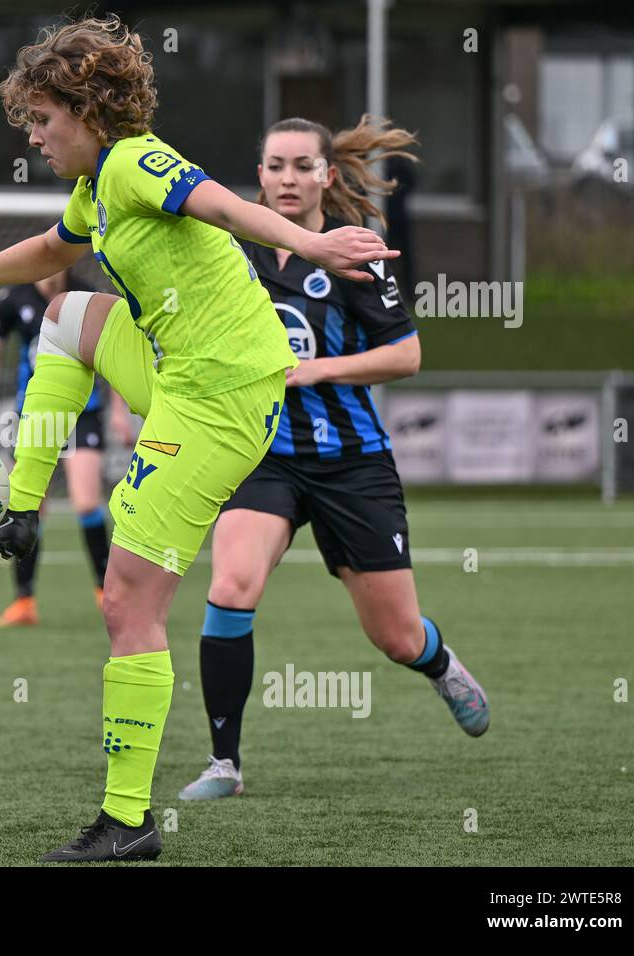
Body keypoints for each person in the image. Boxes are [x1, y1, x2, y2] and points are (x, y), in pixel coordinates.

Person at [0, 16, 396, 862]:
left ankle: (128, 822)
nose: (33, 136)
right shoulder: (96, 186)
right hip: (178, 367)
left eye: (42, 119)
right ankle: (22, 512)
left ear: (86, 109)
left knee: (127, 603)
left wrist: (309, 238)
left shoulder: (136, 160)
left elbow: (222, 203)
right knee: (63, 318)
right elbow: (47, 251)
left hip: (220, 395)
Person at [178, 117, 489, 803]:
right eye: (275, 166)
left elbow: (406, 356)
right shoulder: (226, 255)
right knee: (231, 586)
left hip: (353, 462)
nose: (287, 179)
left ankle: (439, 664)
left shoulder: (354, 254)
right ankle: (223, 764)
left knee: (397, 636)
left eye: (301, 166)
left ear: (327, 176)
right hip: (264, 458)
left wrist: (318, 372)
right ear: (257, 175)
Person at [0, 268, 131, 626]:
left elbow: (115, 352)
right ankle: (24, 601)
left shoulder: (86, 295)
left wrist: (119, 409)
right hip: (36, 414)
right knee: (31, 506)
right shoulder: (14, 298)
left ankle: (107, 594)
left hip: (84, 412)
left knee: (87, 501)